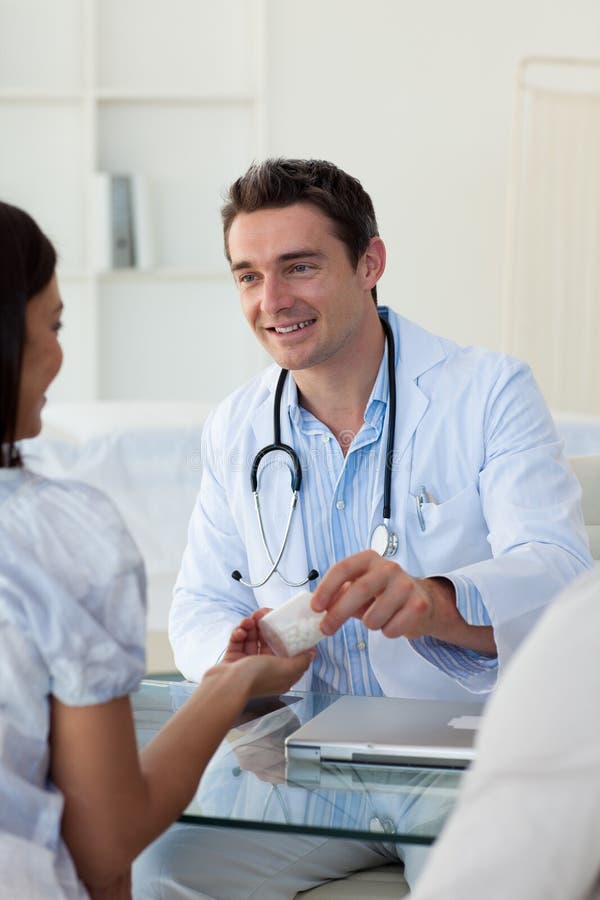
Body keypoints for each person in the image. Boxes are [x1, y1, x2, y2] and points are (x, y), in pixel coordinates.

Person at [134, 158, 593, 898]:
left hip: (459, 756)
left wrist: (433, 602)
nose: (271, 300)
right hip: (299, 763)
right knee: (155, 871)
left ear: (370, 262)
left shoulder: (486, 391)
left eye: (299, 267)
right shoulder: (238, 425)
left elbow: (563, 569)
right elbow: (198, 600)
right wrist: (237, 656)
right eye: (248, 276)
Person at [0, 199, 313, 900]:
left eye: (298, 267)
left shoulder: (483, 393)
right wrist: (233, 681)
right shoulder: (59, 533)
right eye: (51, 326)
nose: (58, 353)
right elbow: (108, 843)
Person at [410, 566, 600, 900]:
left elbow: (558, 564)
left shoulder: (588, 618)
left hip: (459, 771)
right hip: (303, 761)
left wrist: (441, 603)